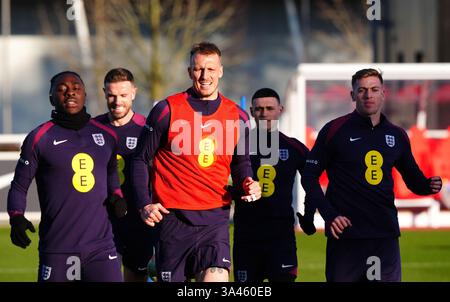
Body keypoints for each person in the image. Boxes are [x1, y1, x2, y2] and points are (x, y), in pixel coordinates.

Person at [131, 42, 261, 282]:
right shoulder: (166, 110)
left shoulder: (238, 116)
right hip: (172, 221)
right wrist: (144, 204)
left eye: (211, 69)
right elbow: (140, 160)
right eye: (199, 69)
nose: (204, 76)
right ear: (190, 72)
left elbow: (241, 164)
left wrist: (248, 183)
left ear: (220, 70)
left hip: (215, 220)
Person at [301, 68, 442, 282]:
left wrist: (428, 185)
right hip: (345, 236)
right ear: (352, 95)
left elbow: (413, 180)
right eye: (362, 90)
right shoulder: (334, 130)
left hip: (383, 235)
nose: (369, 95)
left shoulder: (397, 134)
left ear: (383, 93)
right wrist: (329, 215)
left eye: (374, 89)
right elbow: (309, 176)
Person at [7, 71, 126, 282]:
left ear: (85, 94)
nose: (70, 92)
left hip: (102, 248)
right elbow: (19, 186)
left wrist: (116, 195)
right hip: (58, 249)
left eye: (76, 88)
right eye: (61, 89)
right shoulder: (39, 138)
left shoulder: (107, 135)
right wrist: (16, 216)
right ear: (51, 98)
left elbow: (111, 174)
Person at [233, 88, 316, 282]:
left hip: (281, 235)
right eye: (259, 109)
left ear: (280, 109)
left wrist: (310, 214)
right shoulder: (238, 146)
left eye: (269, 108)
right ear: (252, 112)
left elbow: (311, 182)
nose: (264, 114)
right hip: (246, 235)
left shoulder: (293, 147)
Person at [94, 68, 157, 282]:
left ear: (133, 93)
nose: (117, 101)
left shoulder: (147, 129)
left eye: (122, 95)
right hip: (102, 220)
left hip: (138, 221)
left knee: (135, 276)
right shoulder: (92, 128)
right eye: (111, 95)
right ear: (104, 93)